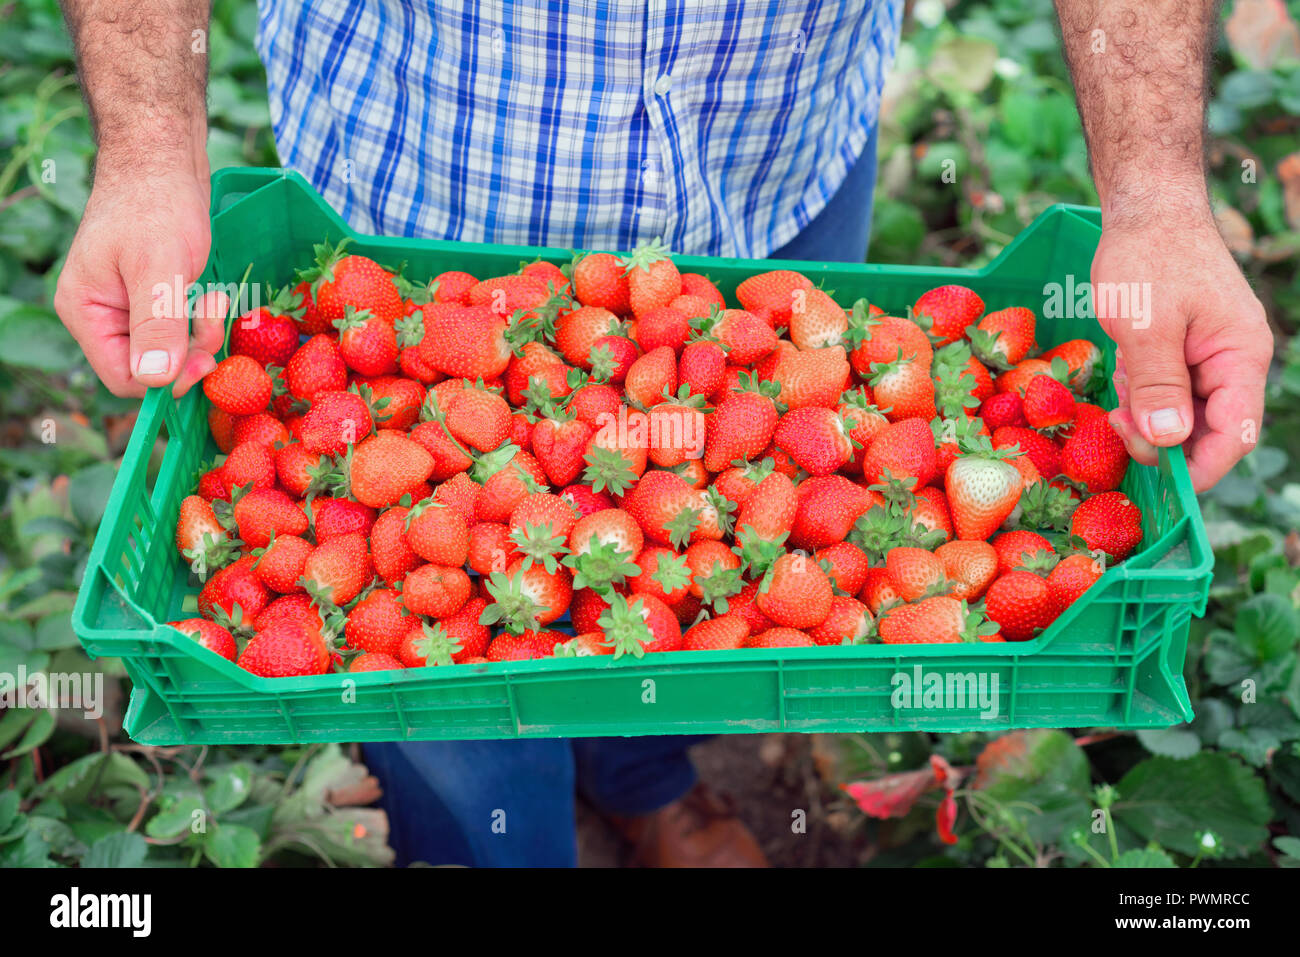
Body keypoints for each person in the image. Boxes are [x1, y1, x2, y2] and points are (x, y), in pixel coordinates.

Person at [53, 1, 1270, 866]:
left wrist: (1159, 198)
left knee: (691, 622)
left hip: (776, 156)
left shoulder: (787, 415)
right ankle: (504, 850)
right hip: (423, 186)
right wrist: (150, 153)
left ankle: (641, 777)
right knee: (449, 707)